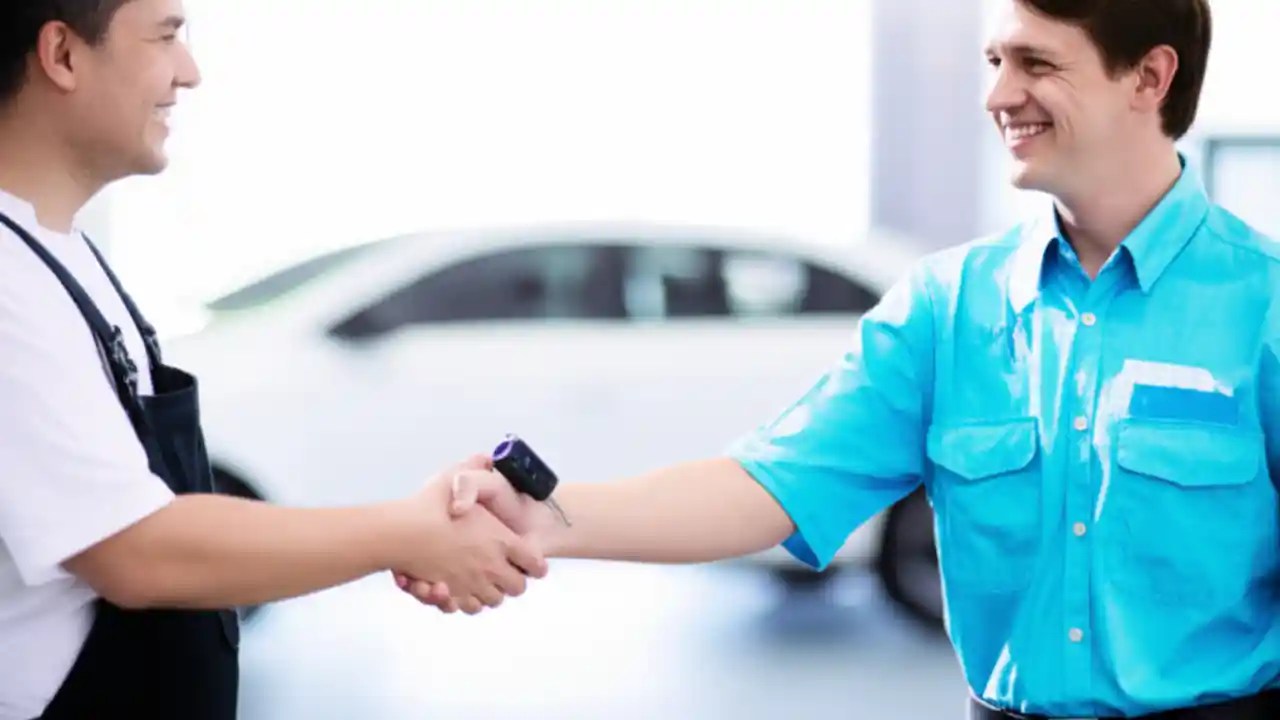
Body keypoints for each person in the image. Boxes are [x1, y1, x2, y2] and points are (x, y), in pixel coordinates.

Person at [404, 0, 1280, 717]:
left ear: (1150, 77)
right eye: (993, 62)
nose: (998, 95)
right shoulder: (949, 307)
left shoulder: (1266, 306)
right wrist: (546, 514)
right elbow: (769, 485)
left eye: (1036, 63)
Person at [0, 2, 546, 718]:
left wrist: (414, 526)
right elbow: (135, 550)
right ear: (64, 55)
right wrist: (408, 531)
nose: (188, 73)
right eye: (166, 37)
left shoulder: (58, 252)